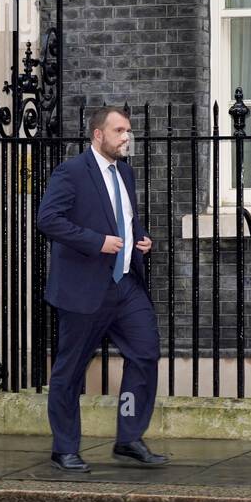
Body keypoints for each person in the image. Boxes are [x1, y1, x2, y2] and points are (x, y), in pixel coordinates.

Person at [36, 106, 164, 472]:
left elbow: (124, 219)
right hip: (83, 288)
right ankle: (64, 448)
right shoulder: (72, 172)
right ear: (98, 134)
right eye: (120, 130)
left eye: (128, 130)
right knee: (70, 370)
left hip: (125, 285)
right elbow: (48, 219)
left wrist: (139, 239)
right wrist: (96, 242)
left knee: (145, 353)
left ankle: (128, 438)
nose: (127, 137)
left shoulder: (125, 171)